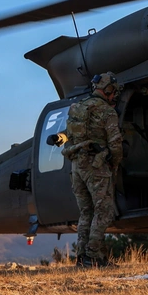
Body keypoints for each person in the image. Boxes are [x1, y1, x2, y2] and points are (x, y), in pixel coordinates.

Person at [54, 72, 123, 267]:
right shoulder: (107, 112)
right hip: (96, 166)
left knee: (86, 213)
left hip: (77, 166)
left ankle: (83, 257)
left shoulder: (79, 108)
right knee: (103, 212)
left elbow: (71, 134)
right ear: (108, 90)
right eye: (113, 92)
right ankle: (93, 256)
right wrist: (114, 162)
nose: (114, 96)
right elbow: (115, 143)